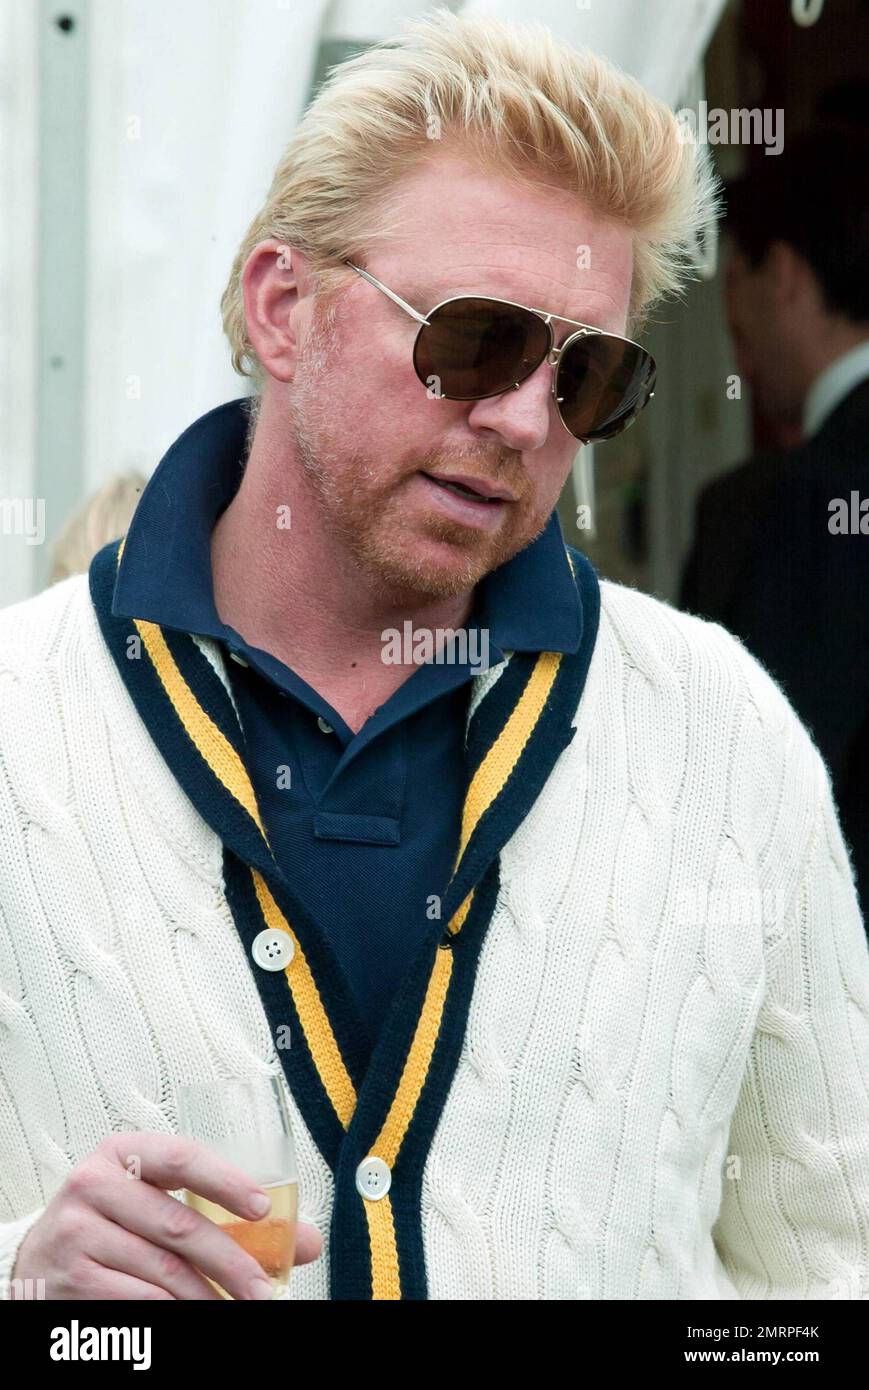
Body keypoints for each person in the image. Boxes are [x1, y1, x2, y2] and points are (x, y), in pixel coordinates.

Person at [1, 10, 867, 1302]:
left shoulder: (719, 732)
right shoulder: (24, 719)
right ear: (284, 306)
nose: (523, 417)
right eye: (478, 339)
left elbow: (828, 1261)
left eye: (590, 377)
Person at [679, 126, 869, 923]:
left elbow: (769, 778)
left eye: (733, 286)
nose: (733, 331)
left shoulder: (803, 496)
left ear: (782, 275)